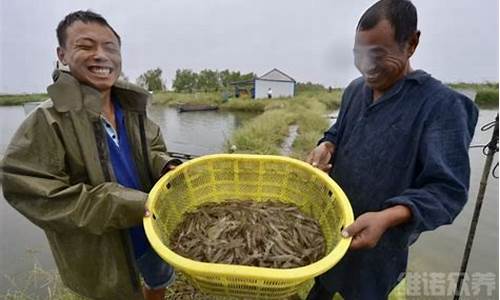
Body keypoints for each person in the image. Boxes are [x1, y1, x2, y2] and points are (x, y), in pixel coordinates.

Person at [1, 10, 181, 300]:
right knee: (120, 292)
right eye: (86, 46)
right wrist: (121, 203)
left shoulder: (133, 108)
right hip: (102, 246)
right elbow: (31, 191)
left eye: (110, 47)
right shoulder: (46, 120)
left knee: (157, 279)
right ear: (62, 54)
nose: (101, 55)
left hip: (151, 228)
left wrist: (165, 165)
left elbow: (153, 148)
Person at [306, 1, 478, 299]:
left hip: (380, 257)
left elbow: (447, 191)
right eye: (359, 55)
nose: (366, 66)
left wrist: (387, 217)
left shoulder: (442, 106)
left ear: (411, 43)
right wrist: (327, 146)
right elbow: (337, 132)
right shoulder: (354, 91)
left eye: (377, 55)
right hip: (332, 238)